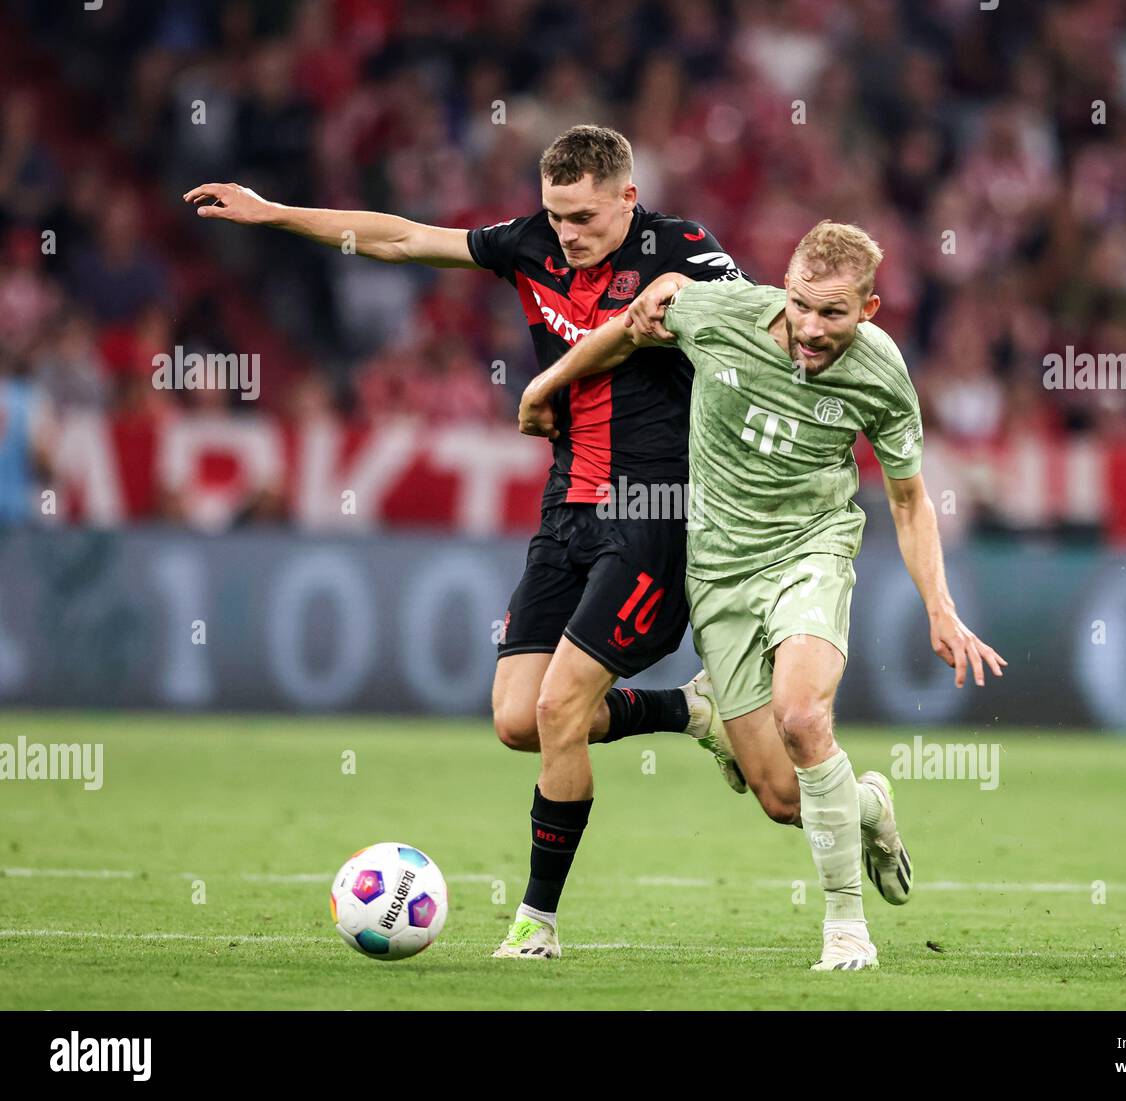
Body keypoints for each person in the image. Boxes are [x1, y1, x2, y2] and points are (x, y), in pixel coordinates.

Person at [184, 125, 756, 959]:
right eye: (557, 214)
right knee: (518, 719)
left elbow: (768, 320)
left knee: (562, 707)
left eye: (586, 217)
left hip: (655, 512)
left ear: (629, 199)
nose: (568, 232)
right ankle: (687, 709)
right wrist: (275, 214)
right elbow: (404, 237)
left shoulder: (685, 249)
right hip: (568, 510)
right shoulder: (531, 244)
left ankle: (537, 923)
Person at [520, 221, 1007, 969]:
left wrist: (940, 608)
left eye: (834, 314)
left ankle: (846, 927)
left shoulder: (882, 374)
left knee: (803, 713)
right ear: (784, 286)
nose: (812, 328)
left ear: (869, 309)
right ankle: (869, 804)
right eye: (803, 305)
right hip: (718, 573)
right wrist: (547, 384)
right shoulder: (717, 313)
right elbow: (624, 331)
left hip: (809, 552)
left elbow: (910, 502)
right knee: (782, 796)